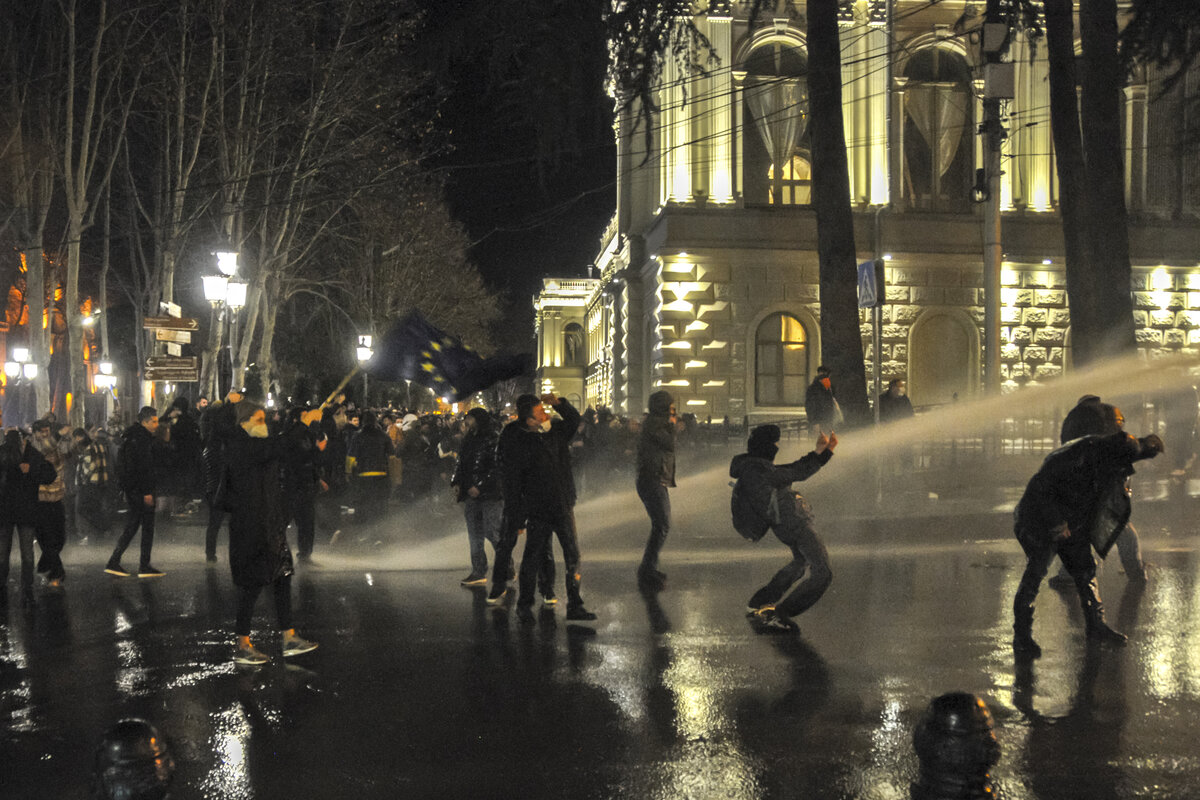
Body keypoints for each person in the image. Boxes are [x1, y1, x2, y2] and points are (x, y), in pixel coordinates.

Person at [1012, 430, 1163, 657]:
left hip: (1073, 520)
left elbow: (1139, 450)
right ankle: (1022, 637)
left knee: (1086, 571)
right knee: (1035, 573)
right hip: (1041, 521)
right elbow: (1040, 490)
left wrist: (1152, 446)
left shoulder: (1113, 452)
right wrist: (1057, 523)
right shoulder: (1076, 457)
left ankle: (1096, 626)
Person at [223, 401, 318, 665]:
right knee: (252, 586)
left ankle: (288, 637)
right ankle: (242, 644)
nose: (265, 424)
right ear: (245, 423)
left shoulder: (257, 447)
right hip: (251, 529)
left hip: (269, 526)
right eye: (259, 419)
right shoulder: (242, 446)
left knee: (282, 577)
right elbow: (278, 445)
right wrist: (303, 423)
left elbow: (283, 449)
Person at [488, 393, 595, 621]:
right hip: (539, 509)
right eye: (540, 413)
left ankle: (575, 604)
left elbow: (574, 421)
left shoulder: (554, 433)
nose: (546, 415)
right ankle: (525, 604)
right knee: (533, 557)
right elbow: (513, 483)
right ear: (530, 420)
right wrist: (517, 516)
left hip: (563, 505)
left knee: (572, 555)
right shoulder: (519, 442)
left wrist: (559, 403)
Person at [731, 424, 838, 632]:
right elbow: (796, 472)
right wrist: (823, 454)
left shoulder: (754, 467)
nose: (778, 447)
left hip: (789, 522)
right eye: (776, 443)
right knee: (822, 572)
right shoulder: (757, 471)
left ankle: (760, 601)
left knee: (801, 561)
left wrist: (821, 452)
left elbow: (789, 471)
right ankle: (781, 614)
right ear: (767, 446)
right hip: (793, 523)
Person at [1047, 396, 1148, 585]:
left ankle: (1071, 573)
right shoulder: (1112, 413)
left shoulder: (1075, 417)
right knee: (1120, 523)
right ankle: (1136, 571)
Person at [105, 406, 167, 578]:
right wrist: (147, 491)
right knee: (142, 526)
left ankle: (120, 561)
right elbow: (143, 467)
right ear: (145, 422)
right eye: (153, 421)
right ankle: (138, 564)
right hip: (141, 490)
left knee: (135, 525)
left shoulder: (132, 437)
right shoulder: (142, 440)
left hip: (133, 489)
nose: (156, 424)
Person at [0, 428, 56, 606]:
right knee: (4, 552)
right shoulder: (4, 453)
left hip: (23, 510)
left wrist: (31, 470)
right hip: (8, 510)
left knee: (25, 553)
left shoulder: (33, 455)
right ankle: (4, 585)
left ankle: (27, 587)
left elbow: (49, 474)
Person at [450, 407, 502, 586]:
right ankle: (478, 571)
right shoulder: (468, 439)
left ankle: (506, 564)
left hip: (490, 495)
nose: (466, 422)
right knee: (474, 533)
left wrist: (480, 486)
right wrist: (456, 482)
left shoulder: (493, 438)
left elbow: (496, 467)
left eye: (470, 419)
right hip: (470, 494)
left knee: (491, 530)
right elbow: (460, 462)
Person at [635, 390, 680, 590]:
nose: (674, 410)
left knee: (661, 525)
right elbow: (669, 445)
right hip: (652, 479)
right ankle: (647, 569)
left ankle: (649, 567)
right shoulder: (656, 424)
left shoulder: (655, 423)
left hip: (654, 479)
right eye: (671, 406)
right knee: (662, 525)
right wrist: (672, 426)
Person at [282, 407, 326, 564]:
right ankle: (305, 552)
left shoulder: (289, 434)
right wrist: (318, 449)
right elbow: (307, 456)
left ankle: (292, 550)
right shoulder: (302, 434)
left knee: (290, 518)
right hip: (302, 481)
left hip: (293, 481)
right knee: (305, 520)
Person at [30, 419, 68, 588]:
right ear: (35, 433)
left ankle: (47, 564)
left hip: (57, 495)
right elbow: (46, 448)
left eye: (47, 431)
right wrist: (59, 435)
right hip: (40, 498)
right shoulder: (32, 447)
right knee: (47, 537)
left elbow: (65, 454)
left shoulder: (54, 446)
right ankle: (57, 570)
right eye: (42, 432)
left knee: (60, 536)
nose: (45, 435)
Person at [347, 411, 393, 525]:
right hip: (381, 476)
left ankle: (363, 533)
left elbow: (351, 457)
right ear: (375, 421)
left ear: (363, 422)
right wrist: (395, 476)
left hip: (363, 476)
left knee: (363, 505)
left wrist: (348, 473)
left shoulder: (357, 436)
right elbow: (392, 456)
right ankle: (379, 534)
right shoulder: (384, 436)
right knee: (380, 505)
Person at [804, 365, 841, 433]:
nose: (827, 379)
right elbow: (810, 406)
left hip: (828, 421)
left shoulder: (829, 389)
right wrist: (814, 422)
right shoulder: (814, 389)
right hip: (819, 422)